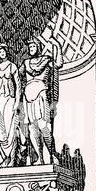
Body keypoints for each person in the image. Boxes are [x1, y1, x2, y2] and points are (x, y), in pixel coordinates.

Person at [21, 38, 57, 166]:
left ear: (38, 47)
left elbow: (58, 64)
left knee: (44, 126)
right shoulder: (25, 63)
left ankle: (51, 154)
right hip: (28, 96)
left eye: (33, 47)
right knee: (32, 129)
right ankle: (40, 157)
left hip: (41, 93)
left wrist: (56, 45)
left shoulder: (46, 60)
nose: (31, 49)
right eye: (29, 47)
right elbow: (15, 76)